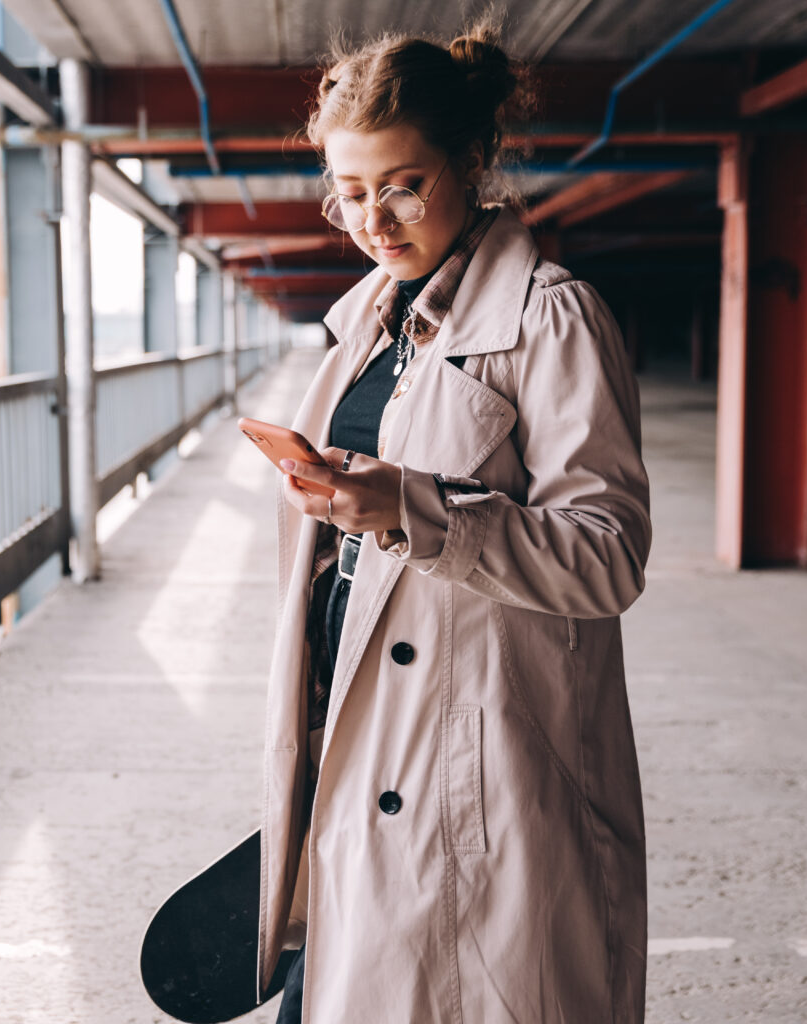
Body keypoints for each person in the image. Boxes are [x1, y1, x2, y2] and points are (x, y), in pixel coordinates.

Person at [256, 24, 652, 1024]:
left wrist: (413, 510)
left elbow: (607, 557)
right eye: (348, 190)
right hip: (360, 744)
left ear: (473, 166)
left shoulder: (549, 319)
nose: (373, 219)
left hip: (478, 764)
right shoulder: (364, 328)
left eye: (402, 183)